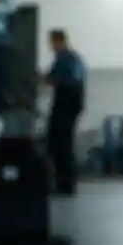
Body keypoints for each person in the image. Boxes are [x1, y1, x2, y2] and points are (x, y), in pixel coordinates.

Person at [41, 28, 86, 196]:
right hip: (69, 106)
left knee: (61, 145)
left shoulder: (66, 58)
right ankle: (63, 183)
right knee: (59, 144)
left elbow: (60, 80)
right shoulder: (70, 58)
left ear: (58, 41)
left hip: (66, 107)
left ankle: (65, 185)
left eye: (51, 42)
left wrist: (43, 79)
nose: (50, 46)